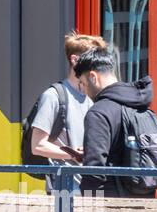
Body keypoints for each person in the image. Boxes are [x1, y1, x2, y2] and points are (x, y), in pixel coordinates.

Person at [72, 46, 157, 197]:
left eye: (83, 84)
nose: (84, 91)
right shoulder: (139, 104)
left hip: (112, 203)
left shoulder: (98, 112)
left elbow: (94, 170)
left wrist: (86, 202)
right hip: (145, 198)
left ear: (93, 77)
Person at [27, 32, 106, 191]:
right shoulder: (53, 97)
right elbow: (37, 146)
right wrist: (73, 155)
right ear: (74, 60)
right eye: (93, 60)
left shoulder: (92, 98)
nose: (97, 66)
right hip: (64, 191)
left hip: (90, 188)